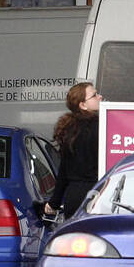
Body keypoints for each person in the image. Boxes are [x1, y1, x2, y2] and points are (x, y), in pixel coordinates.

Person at [45, 82, 103, 219]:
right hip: (99, 194)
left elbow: (64, 170)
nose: (100, 97)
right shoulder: (103, 127)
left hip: (74, 197)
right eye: (94, 95)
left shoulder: (68, 129)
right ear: (83, 105)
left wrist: (54, 202)